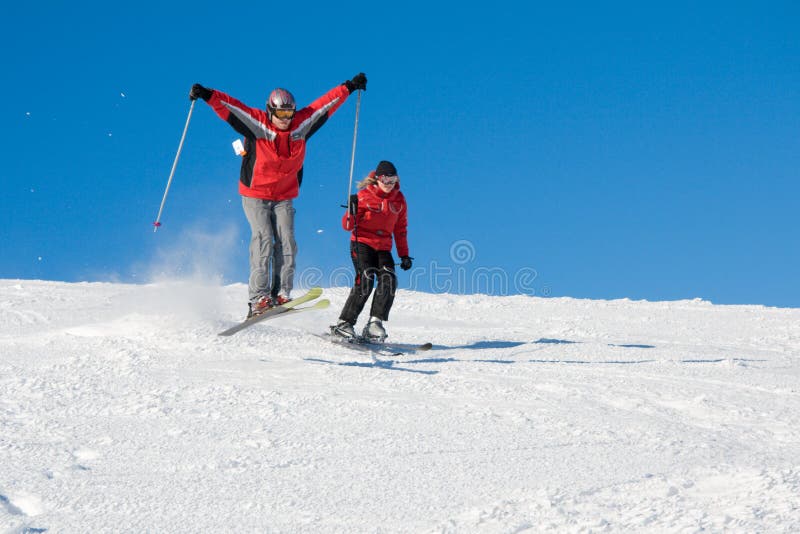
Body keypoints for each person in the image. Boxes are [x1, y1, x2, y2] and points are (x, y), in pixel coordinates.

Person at [189, 73, 367, 318]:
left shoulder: (300, 126)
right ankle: (258, 298)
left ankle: (281, 292)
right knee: (263, 238)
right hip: (256, 194)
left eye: (289, 114)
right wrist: (207, 94)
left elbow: (325, 105)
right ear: (270, 111)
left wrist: (348, 87)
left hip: (284, 195)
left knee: (286, 241)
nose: (285, 120)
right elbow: (230, 107)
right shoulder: (258, 123)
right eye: (280, 114)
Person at [332, 160, 413, 341]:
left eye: (392, 180)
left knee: (389, 278)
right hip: (362, 242)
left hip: (383, 246)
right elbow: (347, 226)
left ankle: (374, 323)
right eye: (385, 180)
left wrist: (404, 255)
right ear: (377, 179)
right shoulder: (364, 196)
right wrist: (351, 212)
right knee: (366, 278)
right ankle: (344, 323)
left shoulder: (399, 200)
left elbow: (400, 230)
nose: (388, 184)